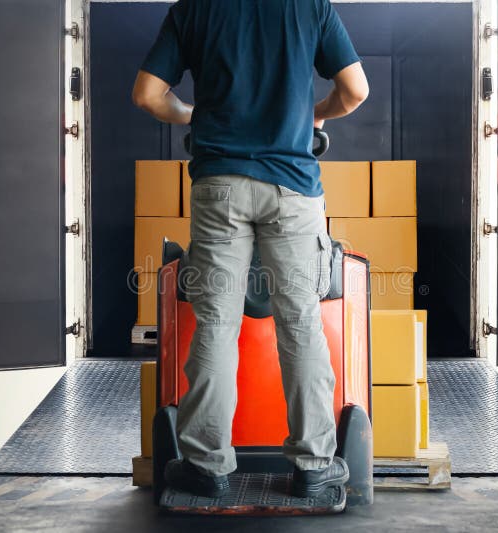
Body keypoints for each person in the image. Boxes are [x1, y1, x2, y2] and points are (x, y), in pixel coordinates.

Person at [132, 0, 368, 498]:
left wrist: (193, 113)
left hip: (218, 183)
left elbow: (148, 95)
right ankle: (313, 464)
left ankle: (207, 466)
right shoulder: (311, 7)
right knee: (300, 322)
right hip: (292, 187)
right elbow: (355, 91)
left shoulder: (192, 10)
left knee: (216, 325)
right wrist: (312, 114)